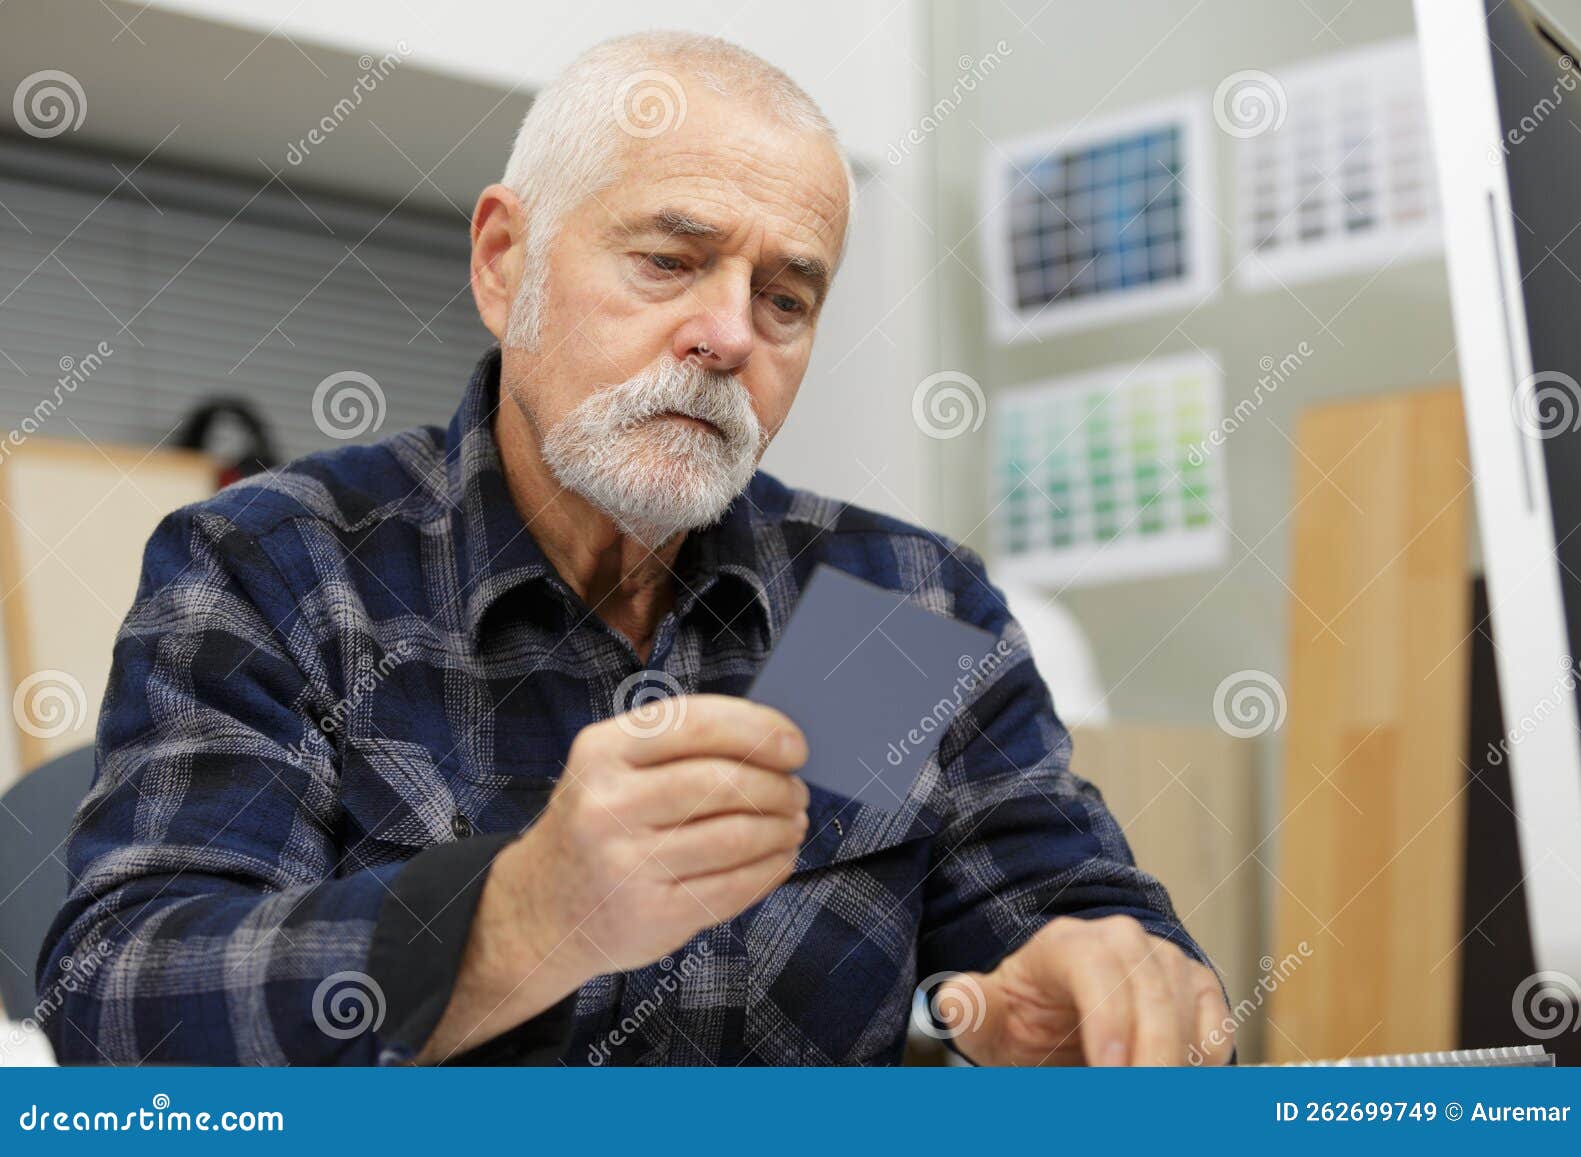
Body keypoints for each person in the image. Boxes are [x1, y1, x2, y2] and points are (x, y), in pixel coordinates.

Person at [39, 31, 1230, 1067]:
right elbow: (121, 1005)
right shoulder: (283, 568)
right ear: (504, 263)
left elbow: (1064, 918)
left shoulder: (885, 611)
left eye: (785, 299)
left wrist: (1115, 991)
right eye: (668, 260)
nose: (724, 334)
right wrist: (520, 918)